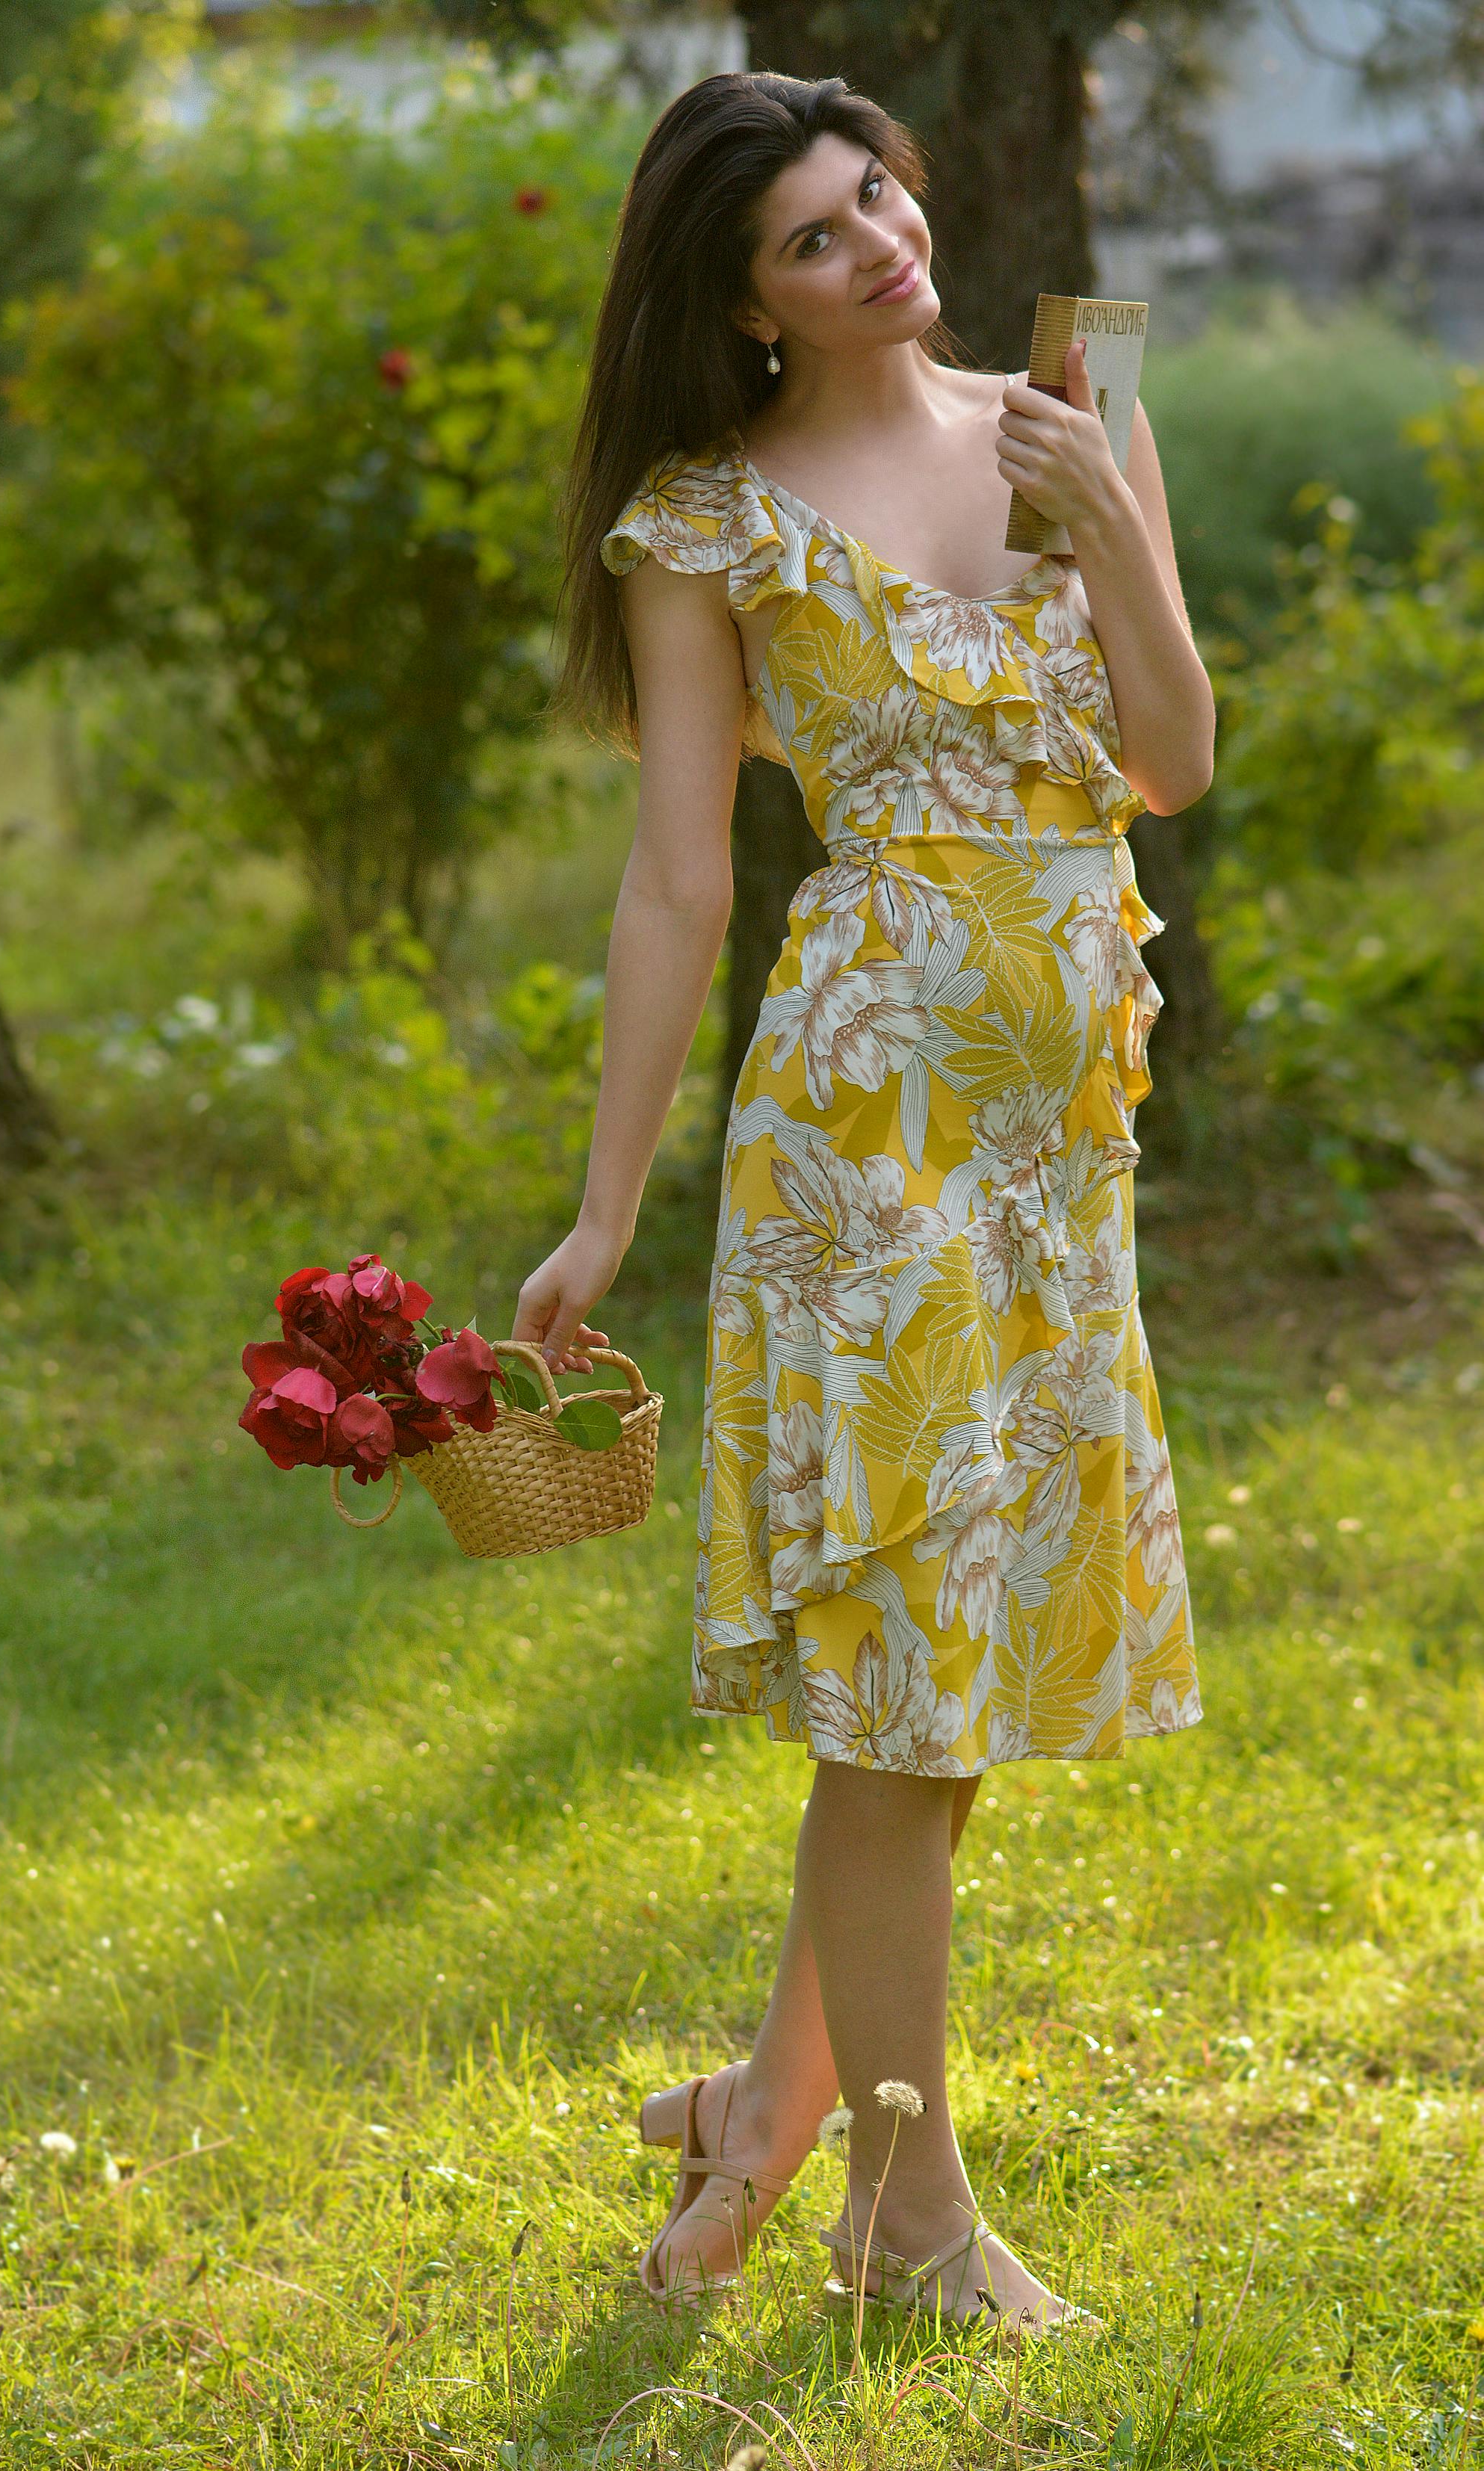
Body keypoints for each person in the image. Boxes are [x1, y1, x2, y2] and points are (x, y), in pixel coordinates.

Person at [513, 69, 1214, 2334]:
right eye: (815, 234)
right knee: (904, 1696)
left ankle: (765, 2107)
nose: (881, 240)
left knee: (953, 1693)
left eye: (878, 192)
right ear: (740, 299)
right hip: (870, 1142)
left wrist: (1103, 518)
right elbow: (679, 878)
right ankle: (909, 2228)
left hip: (1057, 1145)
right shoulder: (703, 525)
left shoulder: (1072, 413)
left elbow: (1170, 761)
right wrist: (611, 1205)